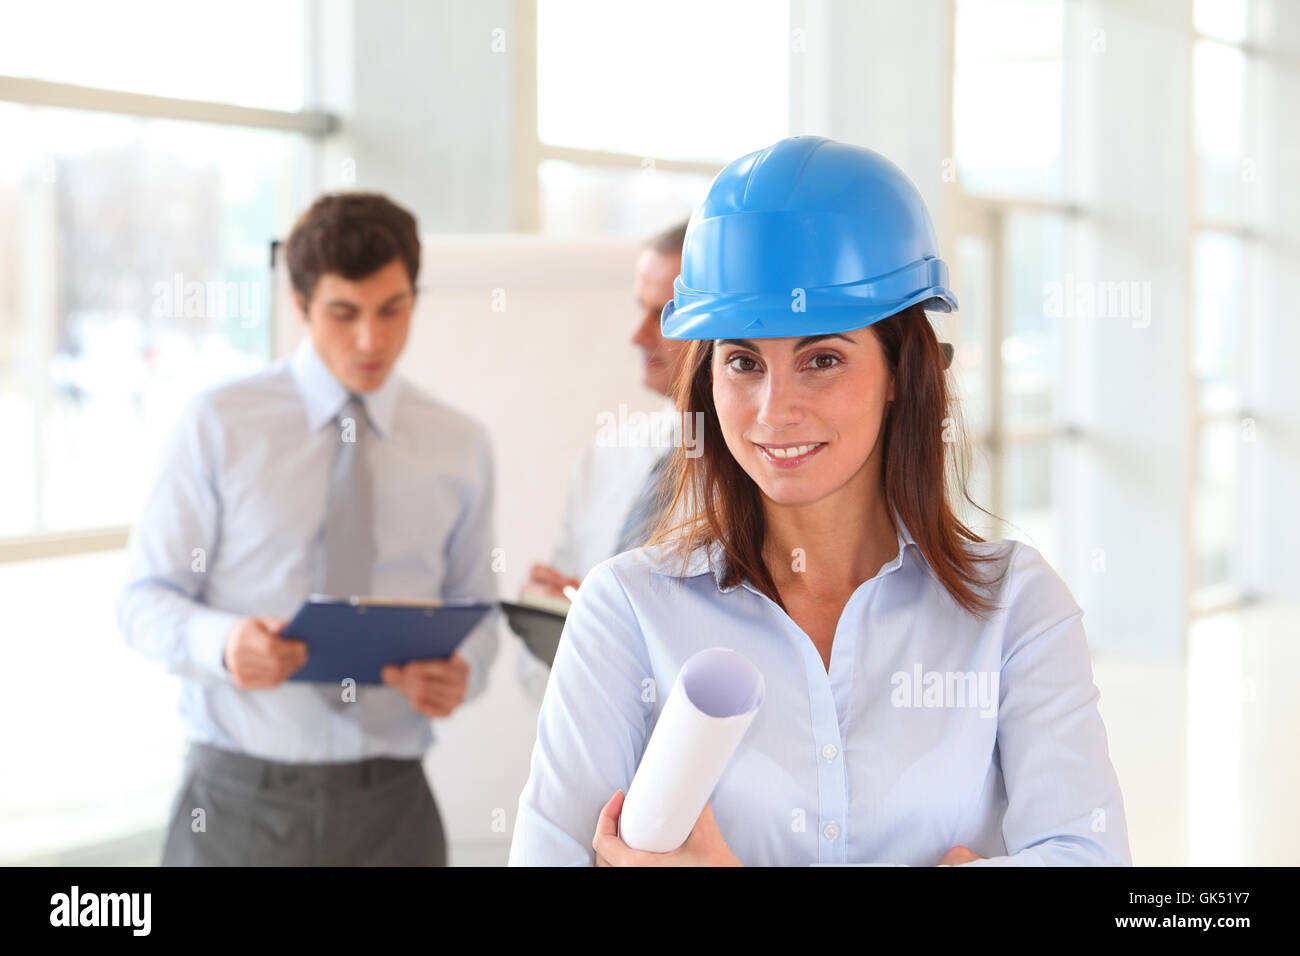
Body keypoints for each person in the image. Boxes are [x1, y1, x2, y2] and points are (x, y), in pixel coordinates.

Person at [508, 135, 1131, 866]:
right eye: (743, 361)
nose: (775, 411)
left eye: (823, 359)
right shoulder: (627, 612)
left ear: (901, 370)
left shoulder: (1014, 608)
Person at [117, 192, 500, 866]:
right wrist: (224, 642)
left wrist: (462, 674)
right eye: (343, 313)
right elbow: (142, 600)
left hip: (394, 812)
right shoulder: (219, 423)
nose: (370, 341)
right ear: (298, 305)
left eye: (393, 309)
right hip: (237, 805)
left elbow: (480, 613)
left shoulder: (459, 443)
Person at [523, 220, 692, 602]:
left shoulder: (761, 474)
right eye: (642, 310)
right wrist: (550, 602)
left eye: (667, 314)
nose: (639, 336)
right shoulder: (605, 457)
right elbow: (567, 597)